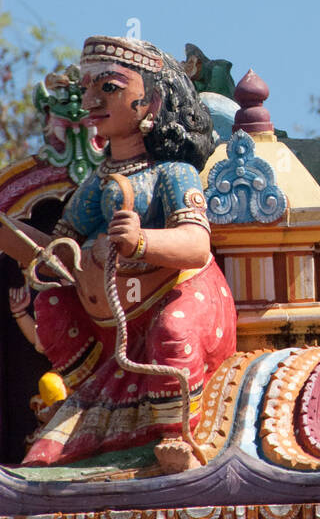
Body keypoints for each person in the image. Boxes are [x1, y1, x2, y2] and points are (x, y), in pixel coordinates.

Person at [0, 35, 236, 473]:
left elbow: (197, 245)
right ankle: (86, 401)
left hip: (175, 299)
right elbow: (57, 253)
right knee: (50, 302)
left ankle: (173, 433)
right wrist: (7, 233)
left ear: (152, 101)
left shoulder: (173, 172)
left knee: (173, 328)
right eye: (88, 87)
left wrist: (142, 240)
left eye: (107, 88)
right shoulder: (98, 182)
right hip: (112, 326)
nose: (90, 100)